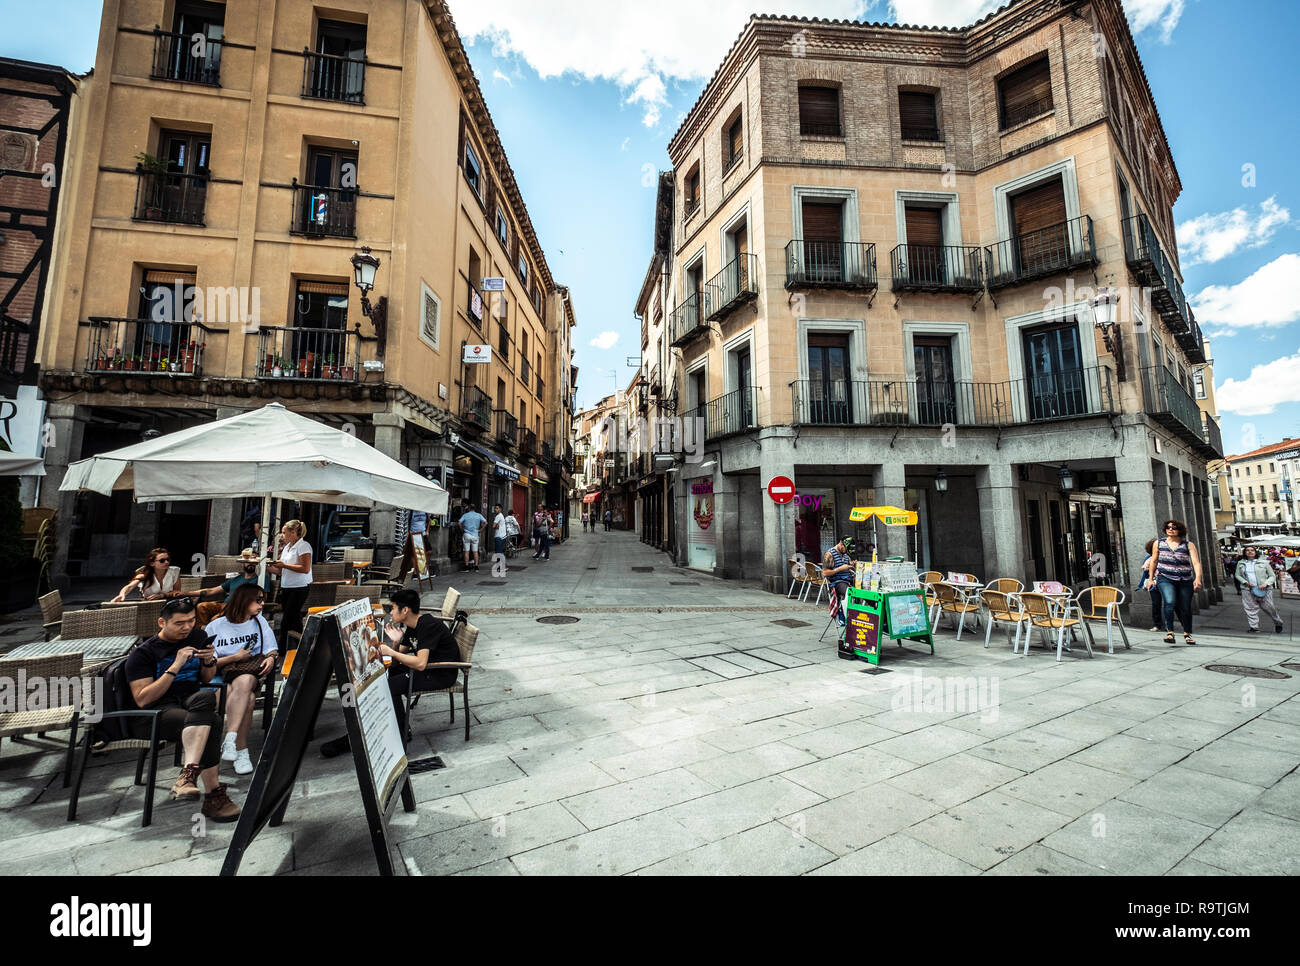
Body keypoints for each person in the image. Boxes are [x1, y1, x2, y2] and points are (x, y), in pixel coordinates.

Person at [124, 597, 241, 821]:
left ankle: (187, 775)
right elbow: (143, 699)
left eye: (191, 621)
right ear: (162, 623)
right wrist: (175, 665)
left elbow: (206, 678)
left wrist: (208, 662)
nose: (187, 627)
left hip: (190, 702)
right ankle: (213, 797)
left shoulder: (198, 637)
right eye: (179, 623)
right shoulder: (143, 654)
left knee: (206, 698)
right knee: (212, 722)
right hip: (154, 713)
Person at [321, 589, 461, 756]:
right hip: (429, 669)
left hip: (440, 674)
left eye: (393, 608)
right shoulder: (412, 626)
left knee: (388, 686)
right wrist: (395, 643)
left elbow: (421, 663)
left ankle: (398, 732)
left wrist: (392, 652)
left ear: (405, 610)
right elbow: (395, 662)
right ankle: (398, 728)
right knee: (390, 674)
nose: (391, 613)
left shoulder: (427, 625)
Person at [204, 583, 278, 774]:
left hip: (250, 672)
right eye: (258, 600)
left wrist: (270, 658)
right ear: (244, 600)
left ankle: (230, 738)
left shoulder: (259, 622)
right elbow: (208, 662)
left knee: (244, 681)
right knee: (249, 699)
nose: (262, 604)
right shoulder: (215, 626)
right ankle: (241, 749)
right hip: (221, 677)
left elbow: (272, 649)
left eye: (263, 599)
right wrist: (234, 658)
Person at [1147, 519, 1203, 646]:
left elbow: (1196, 563)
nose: (1170, 529)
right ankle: (1170, 632)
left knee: (1185, 607)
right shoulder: (1159, 543)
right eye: (1168, 527)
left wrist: (1198, 578)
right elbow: (1154, 561)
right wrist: (1151, 579)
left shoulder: (1188, 545)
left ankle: (1187, 634)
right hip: (1165, 577)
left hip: (1185, 579)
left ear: (1180, 530)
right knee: (1169, 601)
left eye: (1174, 527)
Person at [193, 548, 271, 627]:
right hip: (224, 605)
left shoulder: (261, 578)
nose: (250, 563)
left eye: (254, 560)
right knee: (201, 607)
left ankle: (212, 634)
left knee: (215, 619)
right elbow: (211, 591)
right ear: (243, 563)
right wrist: (186, 593)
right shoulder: (236, 578)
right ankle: (203, 634)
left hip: (237, 608)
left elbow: (264, 597)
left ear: (257, 563)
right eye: (248, 560)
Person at [268, 520, 312, 642]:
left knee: (287, 619)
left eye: (284, 532)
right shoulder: (287, 547)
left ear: (293, 532)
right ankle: (298, 644)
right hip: (287, 586)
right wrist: (265, 566)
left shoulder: (303, 546)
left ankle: (282, 647)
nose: (281, 536)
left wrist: (284, 565)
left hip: (299, 587)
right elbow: (281, 571)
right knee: (294, 617)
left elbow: (305, 568)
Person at [1235, 545, 1284, 634]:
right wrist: (1245, 582)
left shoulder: (1264, 562)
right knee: (1250, 608)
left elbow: (1272, 576)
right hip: (1247, 589)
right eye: (1247, 550)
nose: (1250, 552)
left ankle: (1278, 622)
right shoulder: (1241, 563)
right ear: (1244, 552)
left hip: (1264, 589)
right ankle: (1254, 627)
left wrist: (1266, 584)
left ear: (1255, 552)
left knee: (1269, 608)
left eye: (1252, 550)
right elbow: (1237, 575)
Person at [111, 547, 181, 602]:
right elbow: (129, 586)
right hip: (149, 606)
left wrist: (162, 595)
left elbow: (177, 592)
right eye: (162, 560)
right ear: (152, 563)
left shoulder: (174, 571)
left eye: (168, 559)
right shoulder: (144, 575)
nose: (166, 562)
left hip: (169, 604)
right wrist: (122, 594)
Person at [822, 537, 856, 626]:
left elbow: (847, 566)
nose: (846, 552)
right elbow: (825, 573)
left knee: (867, 589)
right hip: (837, 582)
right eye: (846, 549)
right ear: (841, 544)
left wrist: (851, 565)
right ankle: (843, 613)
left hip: (848, 579)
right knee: (848, 592)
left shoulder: (845, 555)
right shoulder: (829, 554)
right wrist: (840, 569)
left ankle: (878, 617)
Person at [1136, 539, 1162, 632]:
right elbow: (1145, 572)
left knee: (1170, 604)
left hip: (1166, 583)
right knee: (1156, 604)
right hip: (1154, 584)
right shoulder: (1148, 558)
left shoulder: (1166, 557)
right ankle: (1157, 625)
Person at [458, 504, 487, 571]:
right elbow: (486, 522)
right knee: (475, 551)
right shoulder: (478, 515)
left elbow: (459, 523)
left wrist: (462, 529)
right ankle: (476, 567)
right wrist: (480, 530)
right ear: (474, 509)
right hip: (475, 535)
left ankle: (467, 567)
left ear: (469, 508)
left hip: (467, 534)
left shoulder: (465, 515)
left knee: (466, 551)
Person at [491, 503, 508, 573]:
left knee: (499, 553)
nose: (495, 509)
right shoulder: (501, 516)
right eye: (495, 508)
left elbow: (493, 526)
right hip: (502, 536)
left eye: (497, 508)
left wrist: (496, 526)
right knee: (499, 552)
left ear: (500, 509)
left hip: (499, 537)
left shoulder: (498, 516)